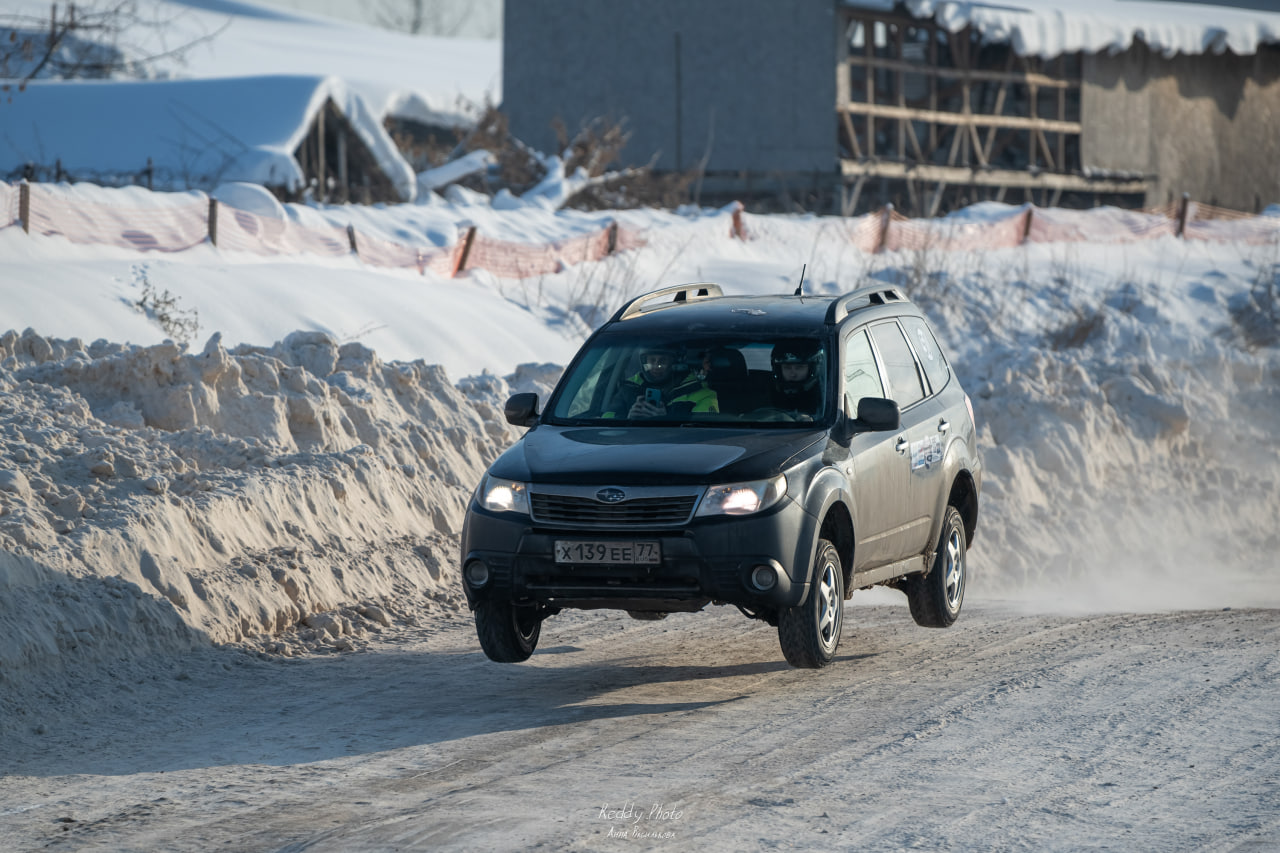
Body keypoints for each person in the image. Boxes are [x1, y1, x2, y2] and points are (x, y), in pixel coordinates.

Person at [605, 346, 718, 418]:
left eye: (662, 361)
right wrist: (628, 420)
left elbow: (701, 440)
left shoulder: (703, 395)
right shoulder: (628, 388)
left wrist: (665, 419)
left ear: (675, 363)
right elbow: (605, 425)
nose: (656, 366)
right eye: (651, 360)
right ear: (643, 360)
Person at [770, 338, 823, 414]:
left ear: (812, 369)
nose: (793, 374)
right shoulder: (766, 394)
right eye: (787, 368)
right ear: (778, 370)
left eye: (799, 368)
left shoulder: (824, 395)